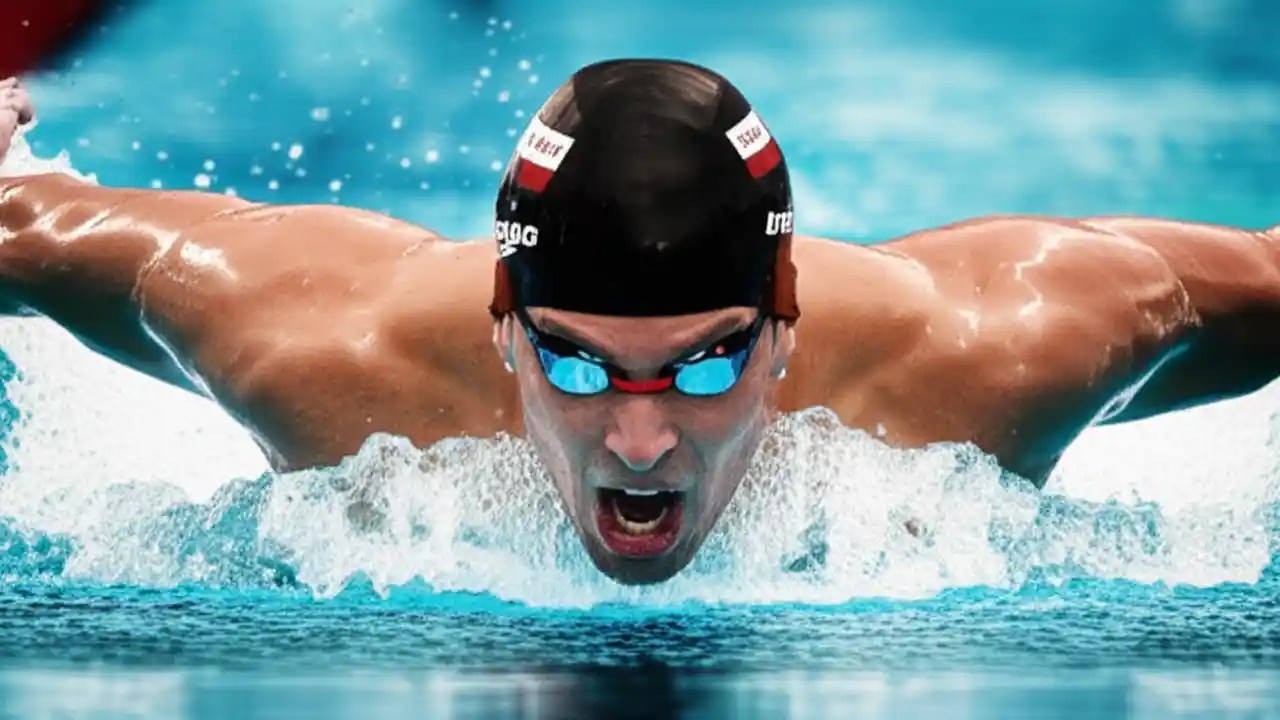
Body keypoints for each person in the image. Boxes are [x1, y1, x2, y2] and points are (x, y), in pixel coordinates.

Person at [0, 60, 1277, 585]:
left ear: (785, 325)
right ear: (503, 320)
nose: (641, 439)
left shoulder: (995, 352)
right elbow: (25, 234)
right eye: (575, 360)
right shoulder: (317, 354)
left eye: (708, 358)